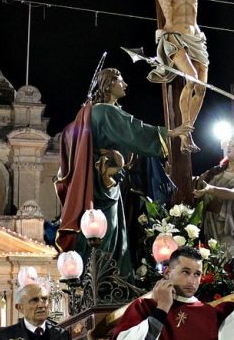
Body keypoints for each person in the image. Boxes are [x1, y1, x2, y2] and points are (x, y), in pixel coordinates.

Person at [91, 0, 234, 154]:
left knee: (202, 88)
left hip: (196, 37)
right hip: (173, 35)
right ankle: (185, 135)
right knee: (193, 79)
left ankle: (189, 130)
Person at [56, 68, 190, 277]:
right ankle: (110, 279)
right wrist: (169, 133)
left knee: (97, 232)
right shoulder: (105, 111)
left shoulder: (89, 113)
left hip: (95, 183)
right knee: (110, 233)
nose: (125, 85)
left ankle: (93, 279)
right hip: (105, 183)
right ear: (108, 84)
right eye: (120, 80)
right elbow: (133, 130)